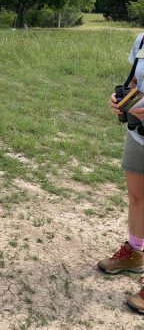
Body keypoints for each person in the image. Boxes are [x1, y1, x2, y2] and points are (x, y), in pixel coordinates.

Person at [102, 32, 144, 313]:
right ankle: (135, 253)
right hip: (138, 133)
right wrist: (121, 98)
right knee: (137, 197)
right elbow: (135, 82)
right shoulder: (142, 40)